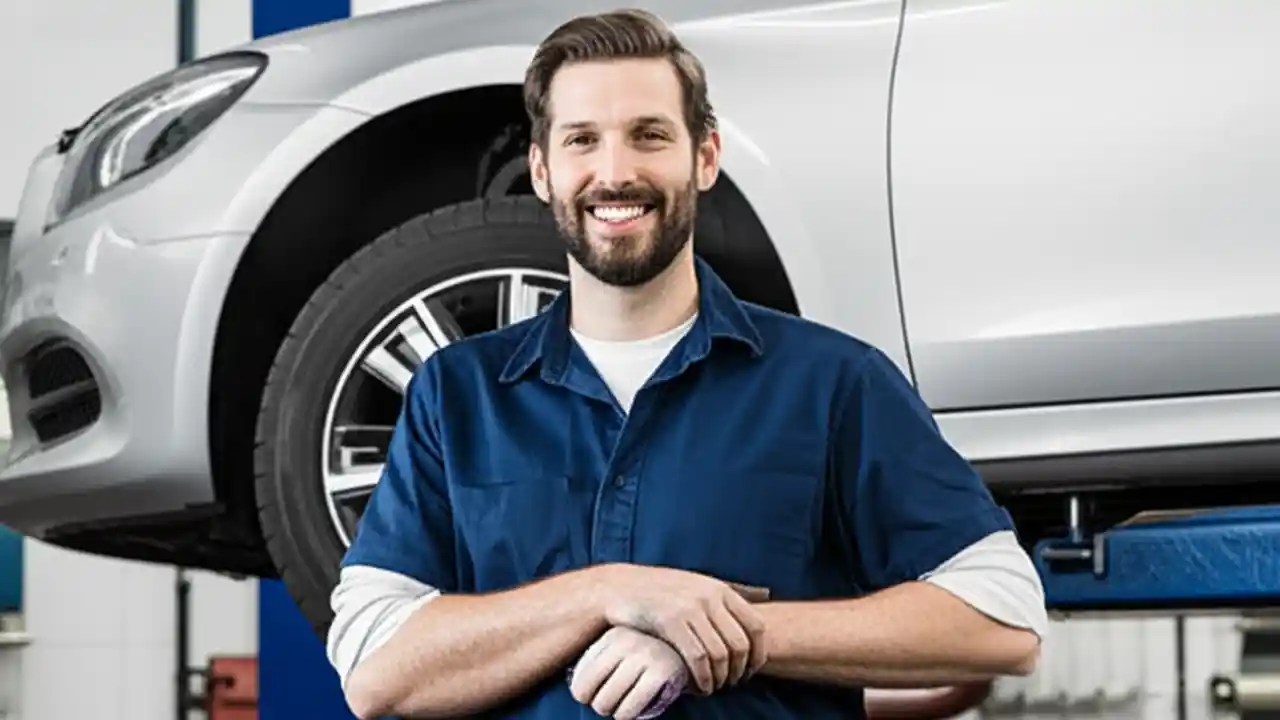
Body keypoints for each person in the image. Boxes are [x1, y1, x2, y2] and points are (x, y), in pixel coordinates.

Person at [326, 8, 1049, 720]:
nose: (615, 172)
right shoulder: (457, 396)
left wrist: (725, 634)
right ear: (542, 171)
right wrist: (605, 592)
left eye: (649, 136)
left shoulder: (831, 385)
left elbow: (1003, 615)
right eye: (583, 140)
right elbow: (372, 666)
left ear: (704, 158)